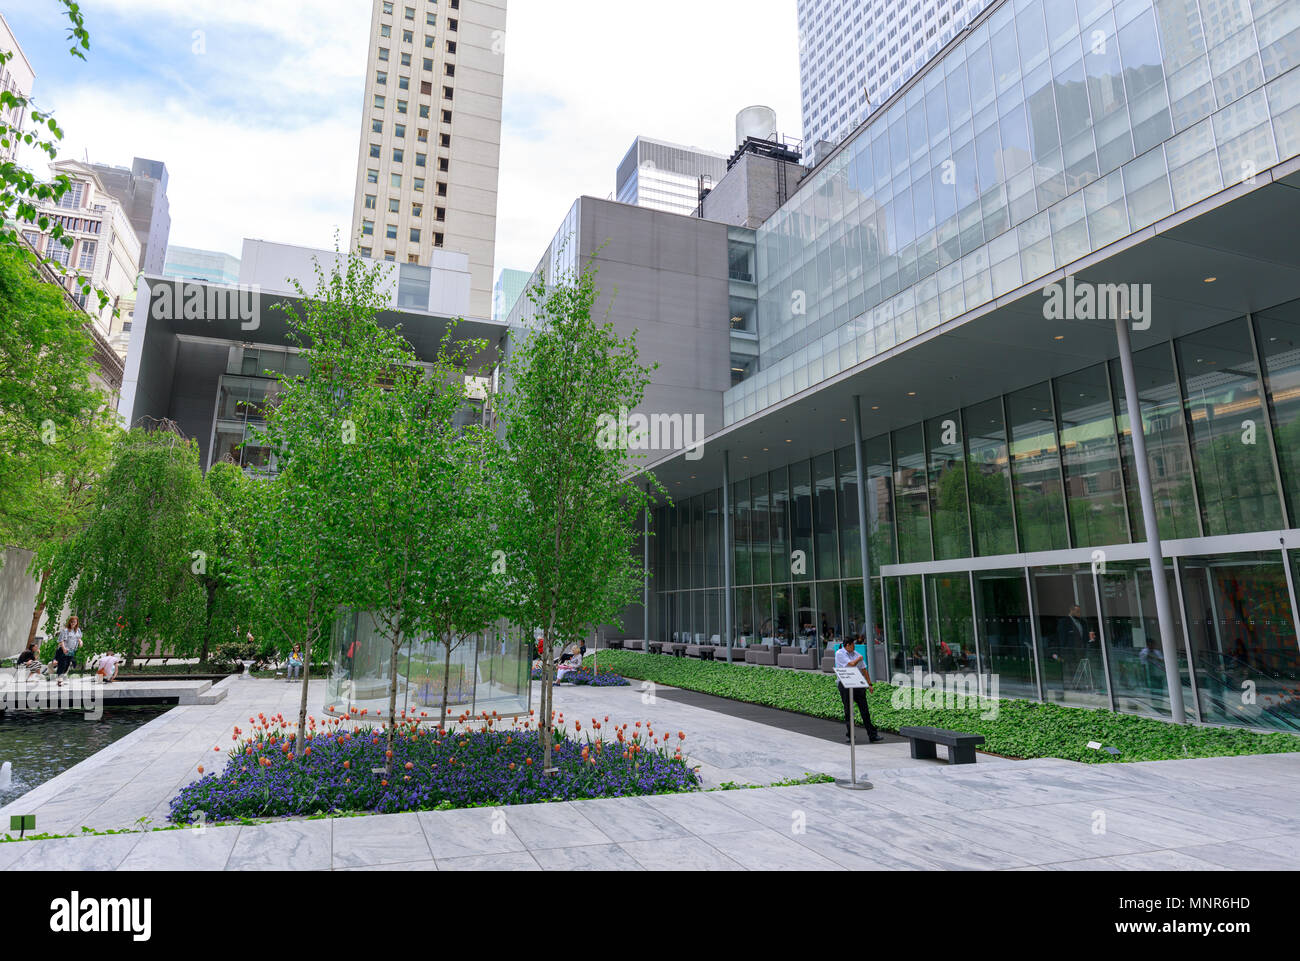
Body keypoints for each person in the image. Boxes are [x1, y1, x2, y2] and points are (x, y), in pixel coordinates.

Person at [836, 635, 882, 744]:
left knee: (865, 710)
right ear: (847, 645)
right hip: (845, 684)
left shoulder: (857, 655)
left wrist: (869, 684)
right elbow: (851, 664)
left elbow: (864, 670)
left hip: (858, 684)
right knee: (848, 710)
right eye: (853, 645)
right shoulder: (840, 653)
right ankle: (850, 735)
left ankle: (872, 734)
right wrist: (859, 659)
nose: (854, 647)